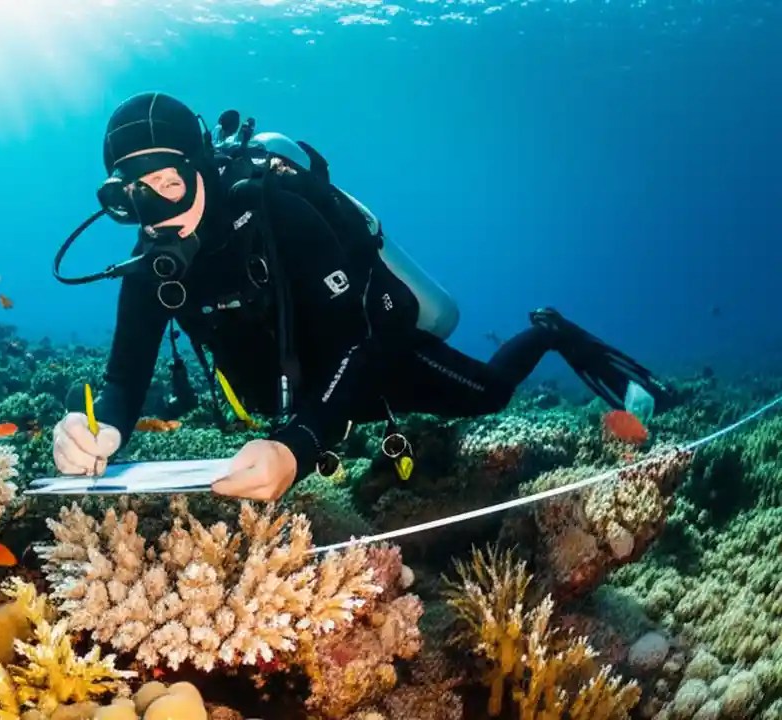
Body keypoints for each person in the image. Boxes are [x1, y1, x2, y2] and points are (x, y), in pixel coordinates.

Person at [50, 91, 674, 501]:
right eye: (135, 199)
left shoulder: (276, 212)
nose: (159, 214)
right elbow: (125, 377)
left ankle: (550, 330)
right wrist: (101, 430)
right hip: (298, 398)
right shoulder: (150, 263)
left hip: (376, 357)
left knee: (490, 396)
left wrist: (297, 448)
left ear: (202, 168)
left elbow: (359, 338)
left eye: (170, 185)